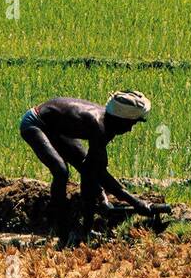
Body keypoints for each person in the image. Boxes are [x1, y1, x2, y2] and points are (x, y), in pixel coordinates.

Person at [19, 91, 170, 245]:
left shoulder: (109, 125)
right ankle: (62, 230)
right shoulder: (98, 125)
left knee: (86, 168)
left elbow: (90, 169)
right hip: (35, 122)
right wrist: (135, 202)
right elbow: (100, 174)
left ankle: (86, 230)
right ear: (121, 120)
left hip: (57, 127)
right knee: (61, 172)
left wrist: (101, 195)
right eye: (131, 123)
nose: (130, 129)